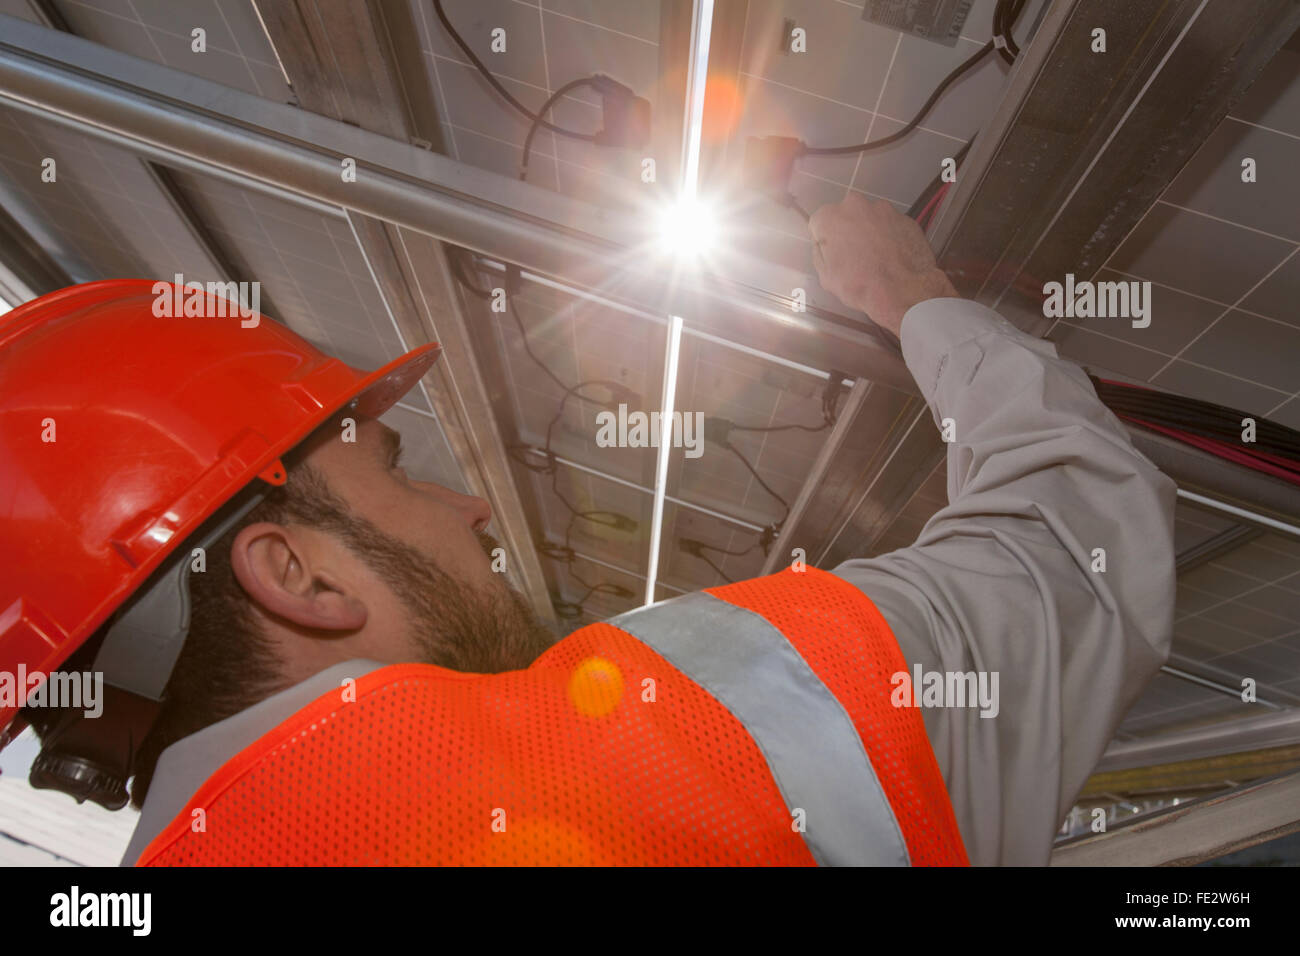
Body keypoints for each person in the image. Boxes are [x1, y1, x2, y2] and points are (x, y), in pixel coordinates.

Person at [1, 195, 1175, 866]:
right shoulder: (657, 734)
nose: (471, 505)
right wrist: (907, 291)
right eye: (389, 466)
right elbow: (1077, 545)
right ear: (292, 569)